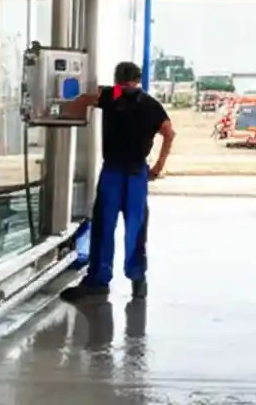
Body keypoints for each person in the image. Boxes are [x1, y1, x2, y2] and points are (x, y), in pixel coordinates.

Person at [59, 61, 175, 302]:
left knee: (105, 226)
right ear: (139, 80)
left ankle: (99, 281)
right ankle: (137, 279)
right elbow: (169, 132)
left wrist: (65, 110)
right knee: (135, 227)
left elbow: (83, 99)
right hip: (136, 173)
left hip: (114, 171)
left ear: (117, 79)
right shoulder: (151, 105)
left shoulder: (111, 94)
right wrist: (159, 166)